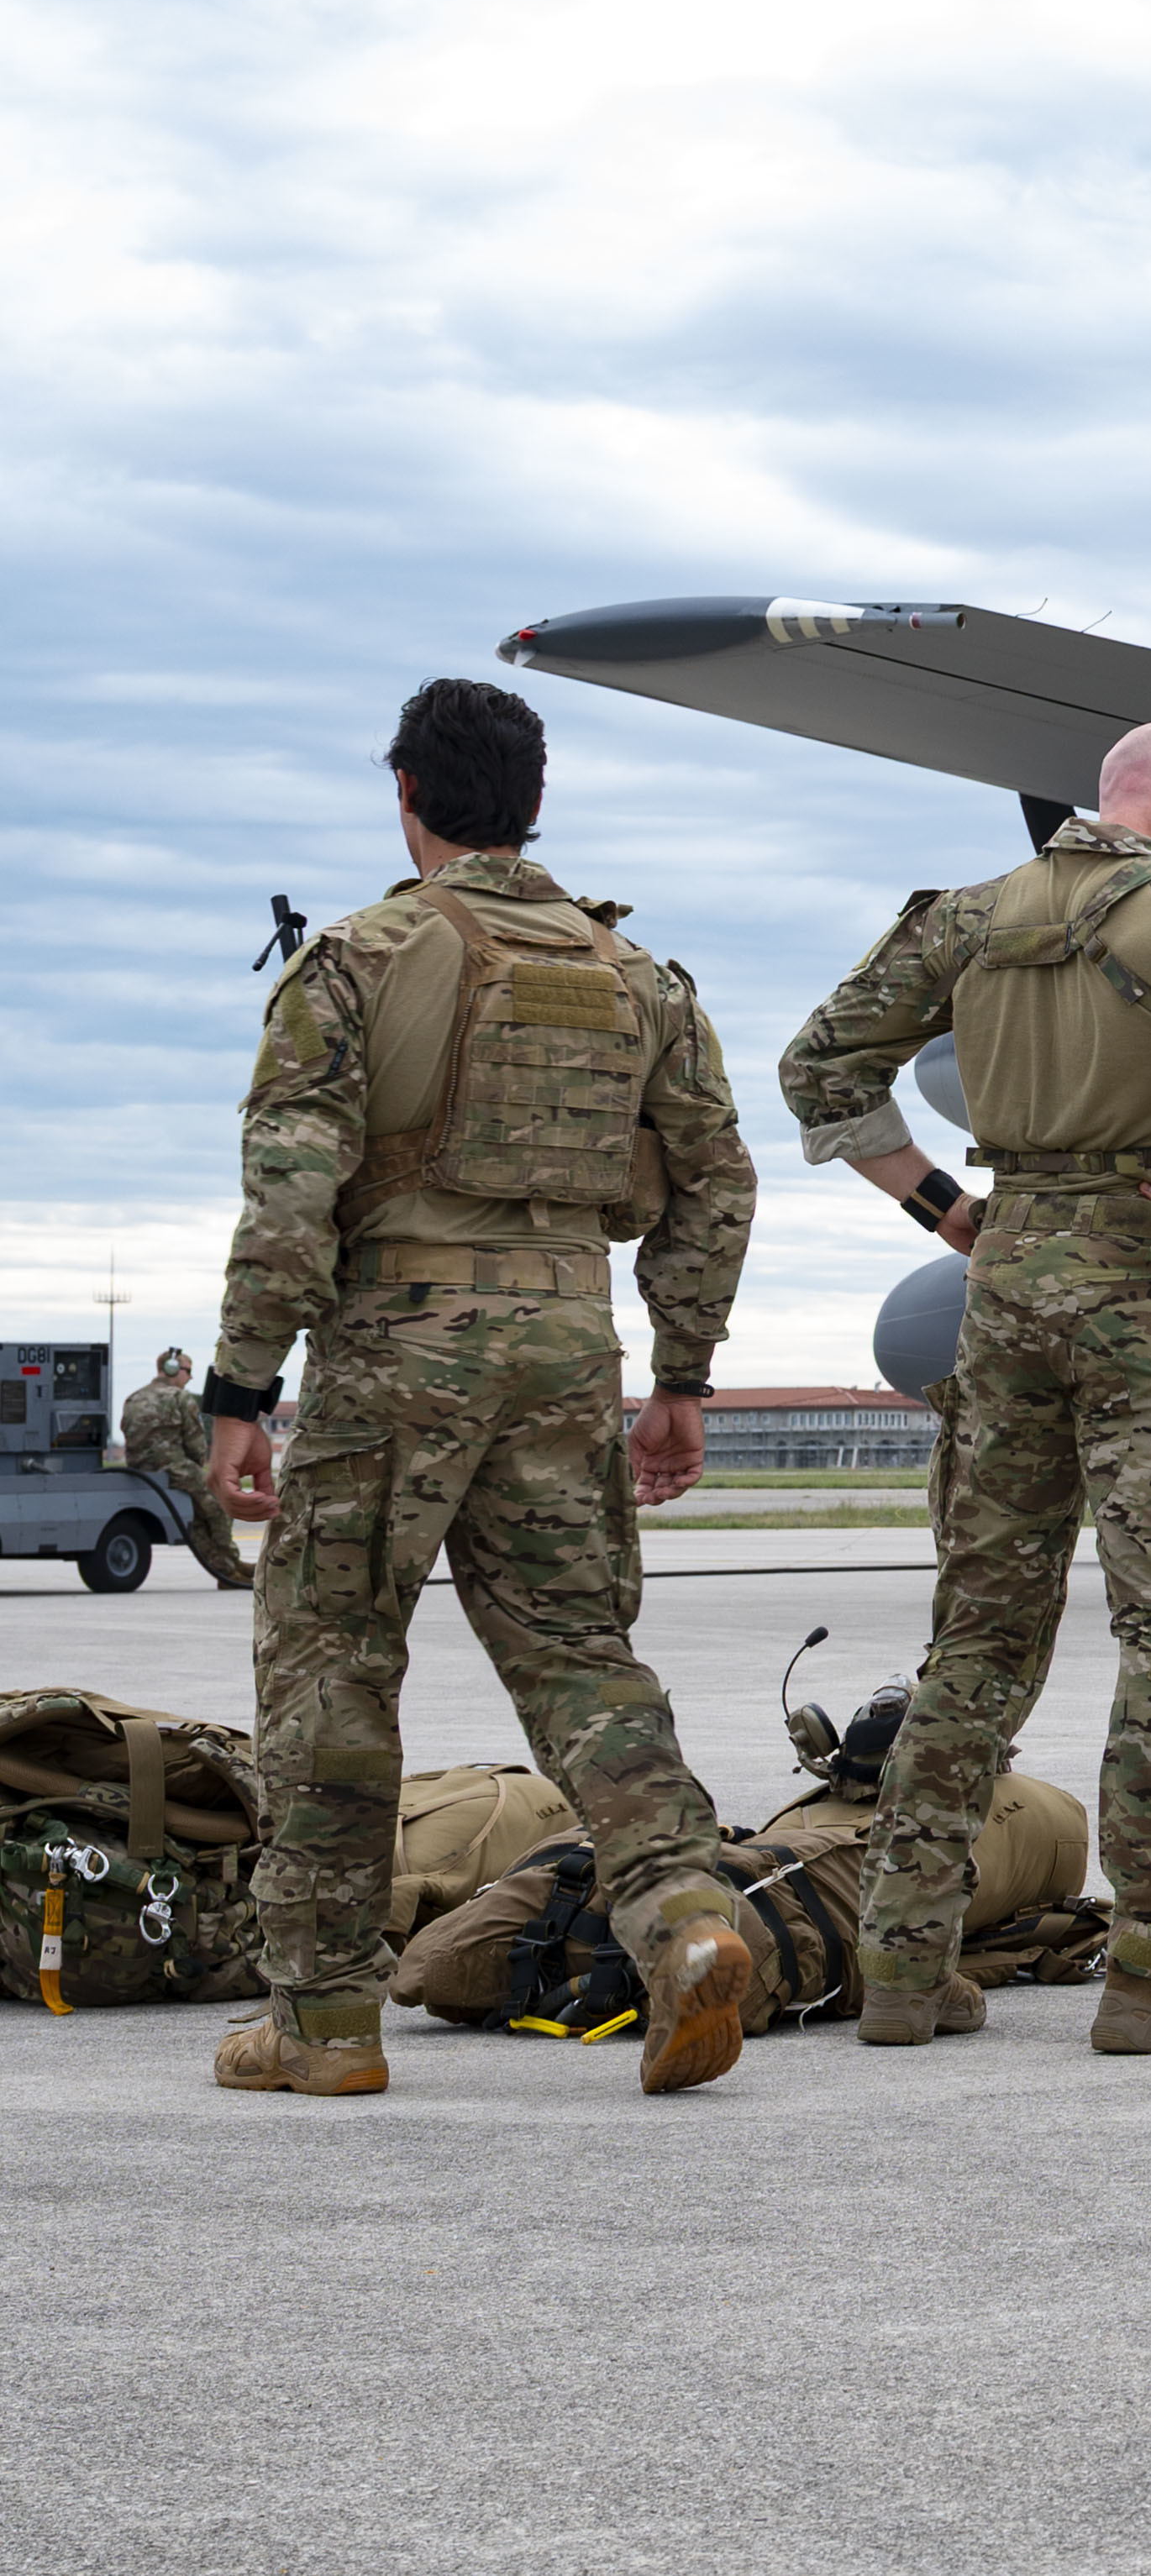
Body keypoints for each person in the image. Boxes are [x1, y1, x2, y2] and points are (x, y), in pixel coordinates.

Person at [199, 677, 762, 2099]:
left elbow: (290, 1193)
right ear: (534, 802)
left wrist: (237, 1390)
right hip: (569, 1346)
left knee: (331, 1665)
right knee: (583, 1660)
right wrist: (681, 1377)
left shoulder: (359, 956)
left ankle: (323, 2023)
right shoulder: (644, 980)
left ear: (407, 799)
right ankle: (687, 1914)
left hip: (394, 1346)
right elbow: (717, 1182)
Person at [780, 721, 1151, 2056]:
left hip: (1010, 1282)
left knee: (975, 1638)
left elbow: (819, 1064)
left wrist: (946, 1208)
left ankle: (903, 1970)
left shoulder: (968, 917)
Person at [117, 1346, 255, 1588]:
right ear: (172, 1369)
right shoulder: (179, 1398)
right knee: (222, 1502)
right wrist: (197, 1467)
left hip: (140, 1472)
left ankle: (226, 1568)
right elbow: (196, 1445)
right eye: (188, 1371)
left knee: (195, 1518)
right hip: (174, 1468)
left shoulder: (134, 1397)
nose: (190, 1377)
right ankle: (230, 1563)